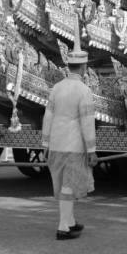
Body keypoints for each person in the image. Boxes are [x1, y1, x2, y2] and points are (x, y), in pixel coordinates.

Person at [41, 44, 97, 240]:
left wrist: (45, 144)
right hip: (73, 146)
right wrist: (92, 149)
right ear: (83, 67)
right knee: (69, 186)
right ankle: (63, 226)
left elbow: (47, 117)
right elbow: (87, 122)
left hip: (56, 143)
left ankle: (71, 221)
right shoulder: (84, 90)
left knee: (64, 185)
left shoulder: (56, 88)